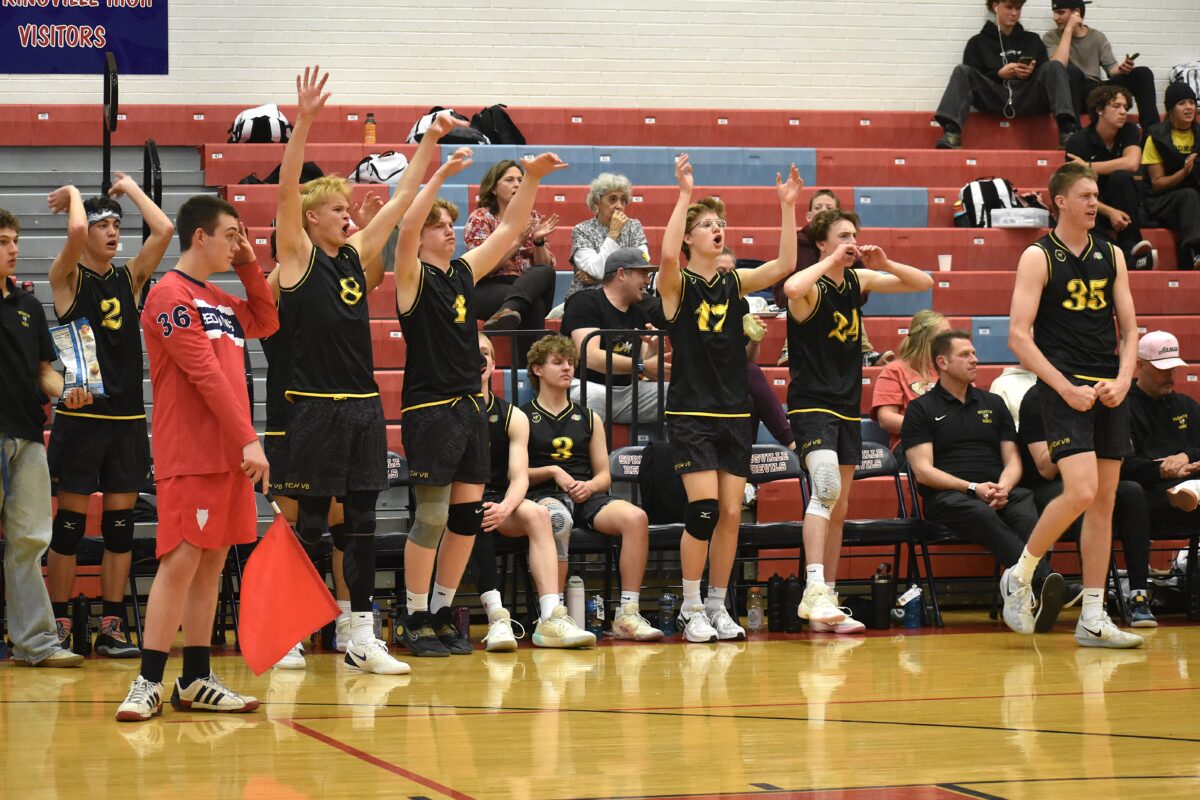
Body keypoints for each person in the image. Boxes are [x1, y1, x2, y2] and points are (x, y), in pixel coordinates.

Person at [273, 67, 455, 674]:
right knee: (311, 528)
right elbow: (287, 190)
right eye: (336, 210)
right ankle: (293, 629)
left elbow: (402, 200)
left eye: (347, 209)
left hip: (362, 405)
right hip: (314, 407)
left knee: (361, 525)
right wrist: (303, 121)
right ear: (311, 219)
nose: (348, 216)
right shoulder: (297, 256)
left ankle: (359, 636)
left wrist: (430, 140)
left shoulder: (354, 256)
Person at [393, 142, 567, 658]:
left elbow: (512, 231)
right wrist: (441, 170)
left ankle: (443, 612)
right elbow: (404, 230)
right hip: (429, 408)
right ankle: (415, 615)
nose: (449, 229)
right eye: (438, 224)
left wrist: (532, 176)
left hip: (470, 407)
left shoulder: (463, 272)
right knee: (431, 517)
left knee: (466, 519)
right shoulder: (411, 275)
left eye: (451, 223)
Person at [116, 196, 278, 721]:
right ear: (200, 237)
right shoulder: (168, 295)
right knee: (181, 560)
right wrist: (249, 438)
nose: (239, 244)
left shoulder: (221, 300)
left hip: (229, 455)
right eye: (232, 235)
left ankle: (195, 678)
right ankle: (147, 681)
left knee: (210, 563)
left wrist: (251, 261)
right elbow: (204, 375)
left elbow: (266, 319)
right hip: (191, 452)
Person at [659, 154, 803, 643]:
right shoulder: (677, 285)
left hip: (733, 412)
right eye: (705, 225)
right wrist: (683, 197)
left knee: (729, 513)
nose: (716, 229)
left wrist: (787, 208)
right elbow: (664, 258)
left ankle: (718, 606)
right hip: (690, 413)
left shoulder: (734, 283)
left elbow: (785, 265)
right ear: (689, 238)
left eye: (719, 223)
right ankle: (690, 606)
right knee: (701, 511)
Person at [1004, 160, 1143, 648]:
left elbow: (1130, 331)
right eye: (1086, 195)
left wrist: (1125, 379)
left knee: (1103, 502)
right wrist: (1064, 388)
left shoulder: (1112, 253)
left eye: (1097, 195)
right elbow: (1019, 337)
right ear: (1059, 201)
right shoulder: (1038, 256)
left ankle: (1092, 615)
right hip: (1064, 388)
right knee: (1081, 491)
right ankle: (1020, 575)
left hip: (1108, 389)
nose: (1094, 203)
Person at [783, 208, 933, 632]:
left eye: (855, 234)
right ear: (823, 243)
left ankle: (826, 601)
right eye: (843, 235)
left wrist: (884, 264)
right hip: (812, 405)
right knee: (825, 486)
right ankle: (812, 589)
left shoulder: (857, 280)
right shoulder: (811, 287)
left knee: (839, 507)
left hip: (846, 404)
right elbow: (792, 286)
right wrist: (830, 260)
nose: (852, 240)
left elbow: (923, 283)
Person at [43, 174, 173, 658]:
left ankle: (111, 625)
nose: (113, 231)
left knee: (120, 528)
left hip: (125, 419)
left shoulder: (130, 277)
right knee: (69, 529)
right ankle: (58, 625)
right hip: (81, 417)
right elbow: (74, 234)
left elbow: (163, 230)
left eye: (117, 224)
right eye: (104, 225)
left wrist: (129, 188)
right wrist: (78, 196)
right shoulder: (68, 277)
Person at [902, 330, 1065, 629]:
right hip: (948, 497)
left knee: (1024, 500)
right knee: (976, 509)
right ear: (943, 362)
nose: (975, 359)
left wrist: (1005, 485)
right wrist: (972, 487)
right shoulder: (921, 408)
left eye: (974, 353)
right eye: (965, 355)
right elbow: (923, 471)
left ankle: (1020, 585)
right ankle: (1041, 579)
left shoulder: (993, 403)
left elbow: (1013, 460)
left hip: (996, 490)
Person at [522, 334, 662, 642]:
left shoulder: (588, 417)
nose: (567, 369)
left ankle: (627, 614)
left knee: (636, 518)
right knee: (557, 520)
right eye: (557, 363)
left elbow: (604, 475)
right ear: (537, 370)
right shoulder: (521, 416)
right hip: (543, 495)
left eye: (570, 362)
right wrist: (551, 471)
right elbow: (516, 474)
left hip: (586, 495)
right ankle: (553, 616)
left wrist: (589, 487)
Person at [468, 333, 596, 650]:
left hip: (501, 500)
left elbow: (519, 478)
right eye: (473, 353)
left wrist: (506, 507)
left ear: (494, 363)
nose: (479, 359)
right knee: (474, 512)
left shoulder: (513, 416)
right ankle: (497, 617)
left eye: (485, 353)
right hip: (457, 504)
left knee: (540, 513)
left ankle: (550, 617)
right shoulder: (450, 412)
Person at [0, 207, 87, 669]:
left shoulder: (29, 306)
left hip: (28, 438)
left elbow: (43, 373)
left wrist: (68, 390)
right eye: (3, 241)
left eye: (14, 239)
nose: (14, 248)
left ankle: (34, 643)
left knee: (30, 540)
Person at [1019, 382, 1156, 626]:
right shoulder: (1035, 399)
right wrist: (1078, 438)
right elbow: (1044, 468)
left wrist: (1105, 439)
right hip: (1048, 486)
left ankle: (1138, 594)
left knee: (1131, 492)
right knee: (1085, 494)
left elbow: (1120, 458)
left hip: (1094, 476)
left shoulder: (1107, 395)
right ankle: (1095, 601)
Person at [934, 0, 1078, 149]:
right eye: (1009, 8)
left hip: (1026, 97)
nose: (1014, 13)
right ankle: (951, 133)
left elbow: (1046, 76)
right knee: (962, 71)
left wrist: (1030, 72)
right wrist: (998, 74)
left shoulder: (1032, 40)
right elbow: (972, 79)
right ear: (996, 6)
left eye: (1018, 8)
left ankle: (1067, 132)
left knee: (1054, 66)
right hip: (995, 97)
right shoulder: (977, 43)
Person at [561, 246, 667, 425]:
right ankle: (589, 453)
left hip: (626, 392)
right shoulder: (585, 302)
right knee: (596, 396)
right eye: (643, 274)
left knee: (675, 394)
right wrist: (642, 366)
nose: (648, 281)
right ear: (621, 274)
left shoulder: (640, 314)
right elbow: (590, 357)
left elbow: (646, 367)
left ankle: (677, 453)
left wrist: (654, 349)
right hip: (583, 386)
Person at [1064, 85, 1154, 269]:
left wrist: (1088, 167)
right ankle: (1122, 256)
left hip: (1122, 201)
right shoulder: (1078, 141)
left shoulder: (1128, 130)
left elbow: (1132, 163)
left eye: (1125, 107)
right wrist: (1109, 211)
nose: (1123, 112)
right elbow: (1075, 188)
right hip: (1092, 206)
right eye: (1116, 106)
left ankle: (1132, 247)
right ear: (1099, 110)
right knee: (1081, 199)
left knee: (1121, 176)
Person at [464, 159, 559, 331]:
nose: (517, 185)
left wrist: (538, 242)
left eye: (521, 180)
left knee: (546, 271)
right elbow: (479, 268)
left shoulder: (534, 217)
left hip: (527, 285)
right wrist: (517, 242)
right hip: (488, 287)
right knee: (534, 305)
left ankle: (509, 308)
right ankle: (528, 358)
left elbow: (544, 268)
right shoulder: (480, 217)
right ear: (493, 188)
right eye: (509, 180)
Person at [716, 249, 794, 451]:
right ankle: (791, 442)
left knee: (749, 402)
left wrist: (754, 340)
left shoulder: (740, 305)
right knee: (753, 373)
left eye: (731, 272)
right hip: (703, 379)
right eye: (721, 272)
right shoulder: (699, 302)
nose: (728, 278)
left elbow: (747, 360)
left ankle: (744, 471)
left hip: (730, 380)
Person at [1043, 0, 1159, 130]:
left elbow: (1111, 69)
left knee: (1143, 73)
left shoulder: (1097, 36)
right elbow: (1058, 65)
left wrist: (1122, 69)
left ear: (1076, 12)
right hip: (1071, 93)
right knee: (1071, 71)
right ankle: (1073, 132)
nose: (1055, 18)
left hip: (1095, 92)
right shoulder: (1051, 37)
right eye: (1054, 13)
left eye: (1060, 13)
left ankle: (1152, 132)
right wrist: (1069, 29)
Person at [1123, 330, 1200, 523]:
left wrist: (1186, 457)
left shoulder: (1187, 404)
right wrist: (1162, 469)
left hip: (1190, 479)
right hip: (1149, 488)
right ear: (1140, 365)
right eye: (1162, 370)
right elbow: (1125, 465)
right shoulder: (1121, 407)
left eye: (1173, 369)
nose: (1170, 376)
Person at [1141, 81, 1200, 270]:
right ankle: (1196, 251)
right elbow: (1157, 184)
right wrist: (1183, 173)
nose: (1189, 107)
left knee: (1191, 197)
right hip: (1161, 201)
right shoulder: (1156, 138)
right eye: (1182, 103)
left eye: (1192, 102)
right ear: (1171, 108)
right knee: (1189, 195)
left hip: (1193, 200)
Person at [872, 310, 949, 450]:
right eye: (946, 335)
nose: (952, 339)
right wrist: (932, 428)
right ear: (926, 338)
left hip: (953, 442)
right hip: (913, 443)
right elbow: (886, 419)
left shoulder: (952, 368)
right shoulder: (895, 371)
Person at [566, 172, 649, 302]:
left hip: (629, 295)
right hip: (590, 296)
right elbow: (598, 270)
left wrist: (599, 279)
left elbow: (643, 266)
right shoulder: (582, 230)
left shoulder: (634, 226)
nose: (619, 206)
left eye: (623, 200)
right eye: (612, 199)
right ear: (597, 202)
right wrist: (613, 234)